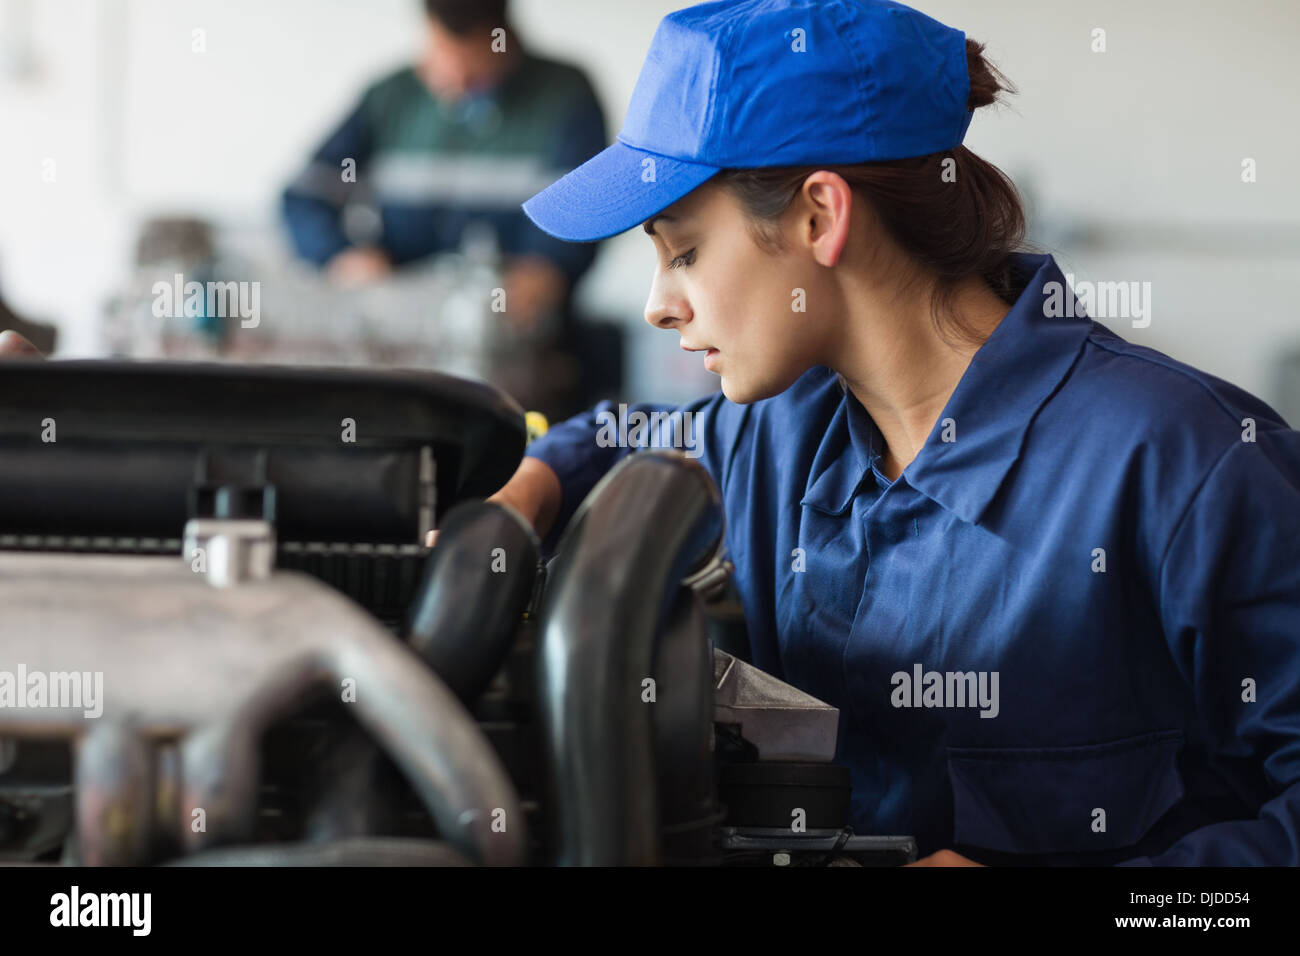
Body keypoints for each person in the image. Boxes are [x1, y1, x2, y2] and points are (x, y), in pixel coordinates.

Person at [477, 0, 1300, 865]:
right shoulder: (776, 434)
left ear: (820, 217)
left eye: (682, 252)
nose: (657, 304)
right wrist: (521, 495)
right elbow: (620, 437)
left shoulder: (1185, 464)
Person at [281, 0, 608, 349]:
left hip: (521, 334)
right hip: (402, 333)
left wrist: (550, 268)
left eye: (471, 61)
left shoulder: (565, 95)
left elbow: (590, 201)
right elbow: (307, 191)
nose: (454, 77)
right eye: (441, 53)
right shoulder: (389, 97)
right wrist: (339, 256)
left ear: (504, 37)